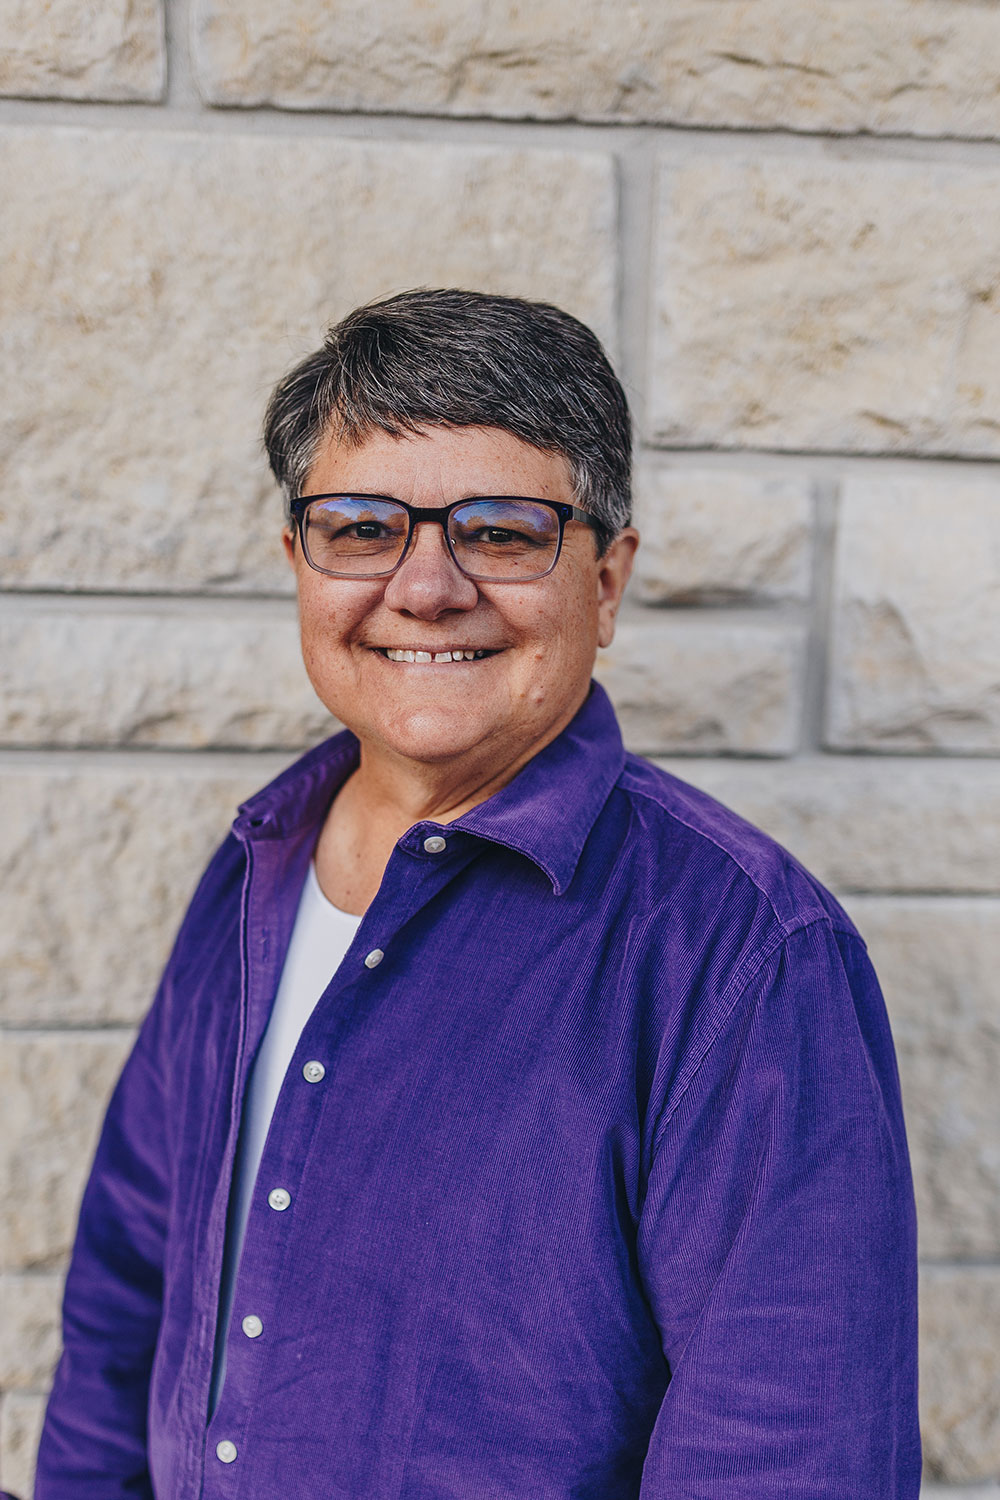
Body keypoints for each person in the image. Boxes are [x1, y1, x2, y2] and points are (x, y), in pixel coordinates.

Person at [31, 289, 921, 1499]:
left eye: (502, 532)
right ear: (300, 563)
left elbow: (788, 1454)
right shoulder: (257, 864)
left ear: (605, 583)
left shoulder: (745, 956)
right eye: (362, 527)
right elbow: (126, 1303)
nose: (426, 585)